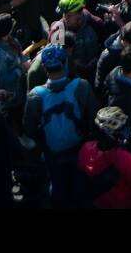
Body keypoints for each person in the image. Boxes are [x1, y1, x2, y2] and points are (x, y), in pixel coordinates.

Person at [22, 44, 98, 208]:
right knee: (80, 186)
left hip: (52, 152)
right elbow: (94, 117)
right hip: (79, 147)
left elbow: (28, 128)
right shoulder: (82, 86)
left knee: (57, 188)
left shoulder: (35, 95)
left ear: (44, 67)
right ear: (65, 63)